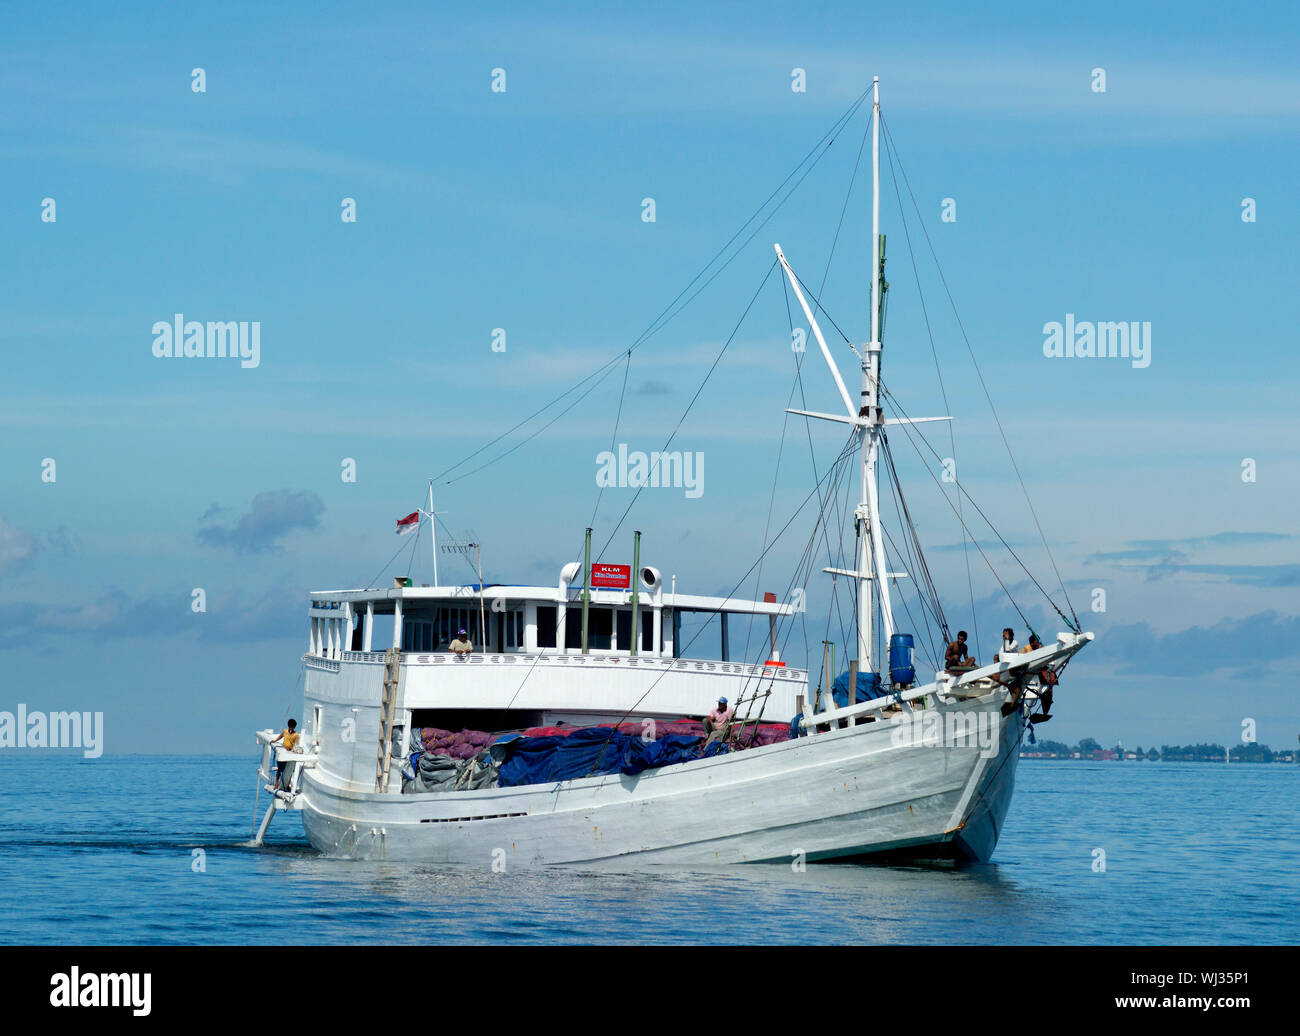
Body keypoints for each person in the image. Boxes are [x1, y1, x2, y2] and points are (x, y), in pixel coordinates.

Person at [269, 719, 299, 791]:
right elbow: (280, 736)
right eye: (290, 727)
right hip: (283, 752)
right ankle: (276, 783)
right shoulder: (285, 731)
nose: (291, 728)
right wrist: (275, 740)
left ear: (294, 727)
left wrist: (291, 748)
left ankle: (288, 784)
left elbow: (296, 745)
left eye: (292, 727)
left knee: (289, 771)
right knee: (279, 769)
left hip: (289, 753)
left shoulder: (296, 735)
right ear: (288, 726)